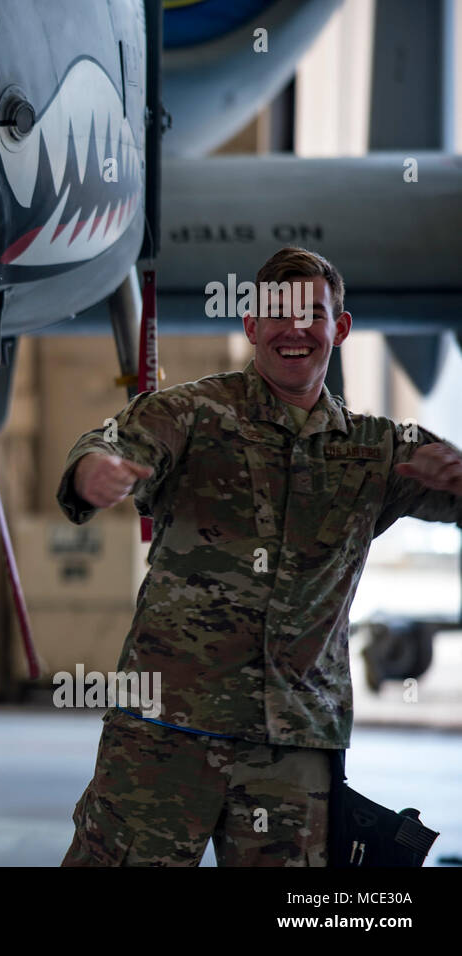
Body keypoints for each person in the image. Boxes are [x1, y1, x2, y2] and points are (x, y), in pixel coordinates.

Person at [58, 247, 462, 866]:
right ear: (251, 326)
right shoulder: (190, 413)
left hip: (294, 746)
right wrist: (95, 474)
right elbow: (107, 444)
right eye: (277, 313)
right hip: (167, 732)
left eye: (313, 314)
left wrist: (456, 479)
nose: (294, 329)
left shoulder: (379, 449)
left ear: (340, 328)